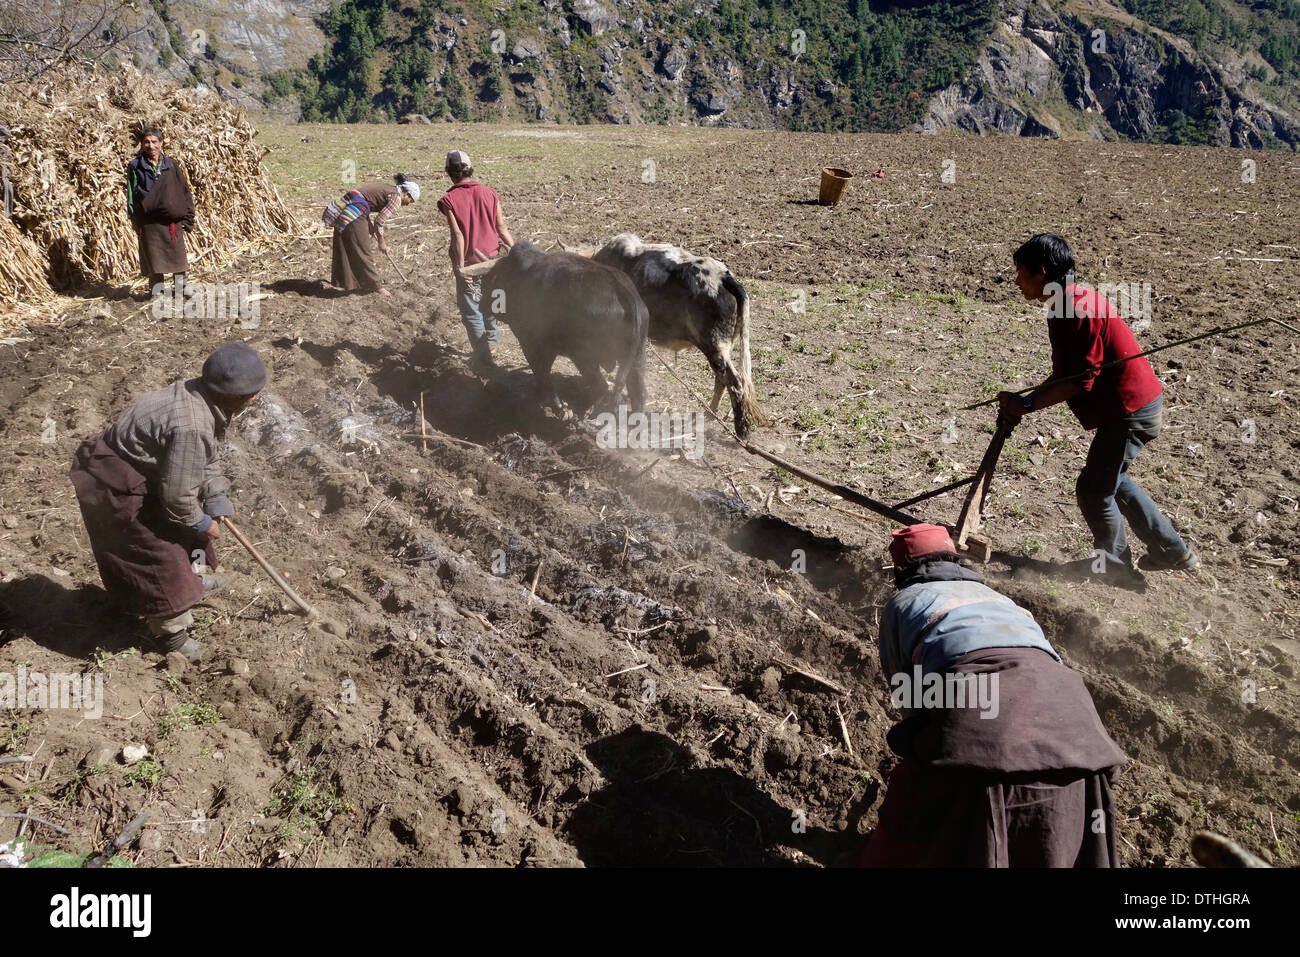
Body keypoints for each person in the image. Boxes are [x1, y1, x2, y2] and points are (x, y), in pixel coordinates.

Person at [856, 524, 1127, 867]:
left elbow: (909, 694)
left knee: (916, 788)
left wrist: (925, 743)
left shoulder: (903, 601)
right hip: (1075, 720)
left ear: (900, 569)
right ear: (954, 559)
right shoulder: (1002, 600)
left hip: (984, 718)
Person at [998, 232, 1198, 576]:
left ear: (1041, 272)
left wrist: (1026, 406)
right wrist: (1025, 400)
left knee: (1094, 490)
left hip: (1130, 412)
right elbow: (1068, 375)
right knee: (1111, 480)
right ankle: (1172, 551)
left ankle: (1115, 567)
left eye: (1020, 272)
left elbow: (1079, 381)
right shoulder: (1070, 302)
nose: (1016, 281)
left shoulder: (1074, 310)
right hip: (1132, 407)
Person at [69, 343, 267, 663]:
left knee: (189, 532)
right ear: (229, 394)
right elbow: (178, 496)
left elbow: (205, 457)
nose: (255, 398)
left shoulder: (201, 395)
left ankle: (194, 580)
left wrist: (215, 495)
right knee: (157, 558)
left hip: (147, 473)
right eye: (251, 393)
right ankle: (172, 637)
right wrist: (202, 522)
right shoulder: (191, 423)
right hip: (113, 483)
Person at [437, 149, 514, 370]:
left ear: (449, 173)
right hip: (492, 261)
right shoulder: (490, 193)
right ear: (470, 170)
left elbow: (458, 235)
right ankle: (491, 344)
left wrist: (460, 267)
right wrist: (518, 253)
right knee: (490, 304)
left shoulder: (448, 200)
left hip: (471, 263)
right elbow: (502, 228)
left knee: (472, 310)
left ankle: (483, 357)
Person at [125, 126, 194, 298]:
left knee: (177, 255)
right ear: (142, 144)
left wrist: (188, 216)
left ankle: (181, 287)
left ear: (161, 143)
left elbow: (183, 190)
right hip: (149, 220)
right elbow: (131, 193)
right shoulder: (135, 166)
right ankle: (157, 290)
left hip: (171, 220)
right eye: (146, 142)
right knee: (154, 256)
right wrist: (135, 218)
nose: (150, 145)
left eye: (154, 142)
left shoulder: (171, 165)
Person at [329, 173, 419, 297]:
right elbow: (379, 221)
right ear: (406, 194)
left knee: (347, 244)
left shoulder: (388, 189)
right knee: (363, 250)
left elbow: (368, 202)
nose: (408, 204)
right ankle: (376, 287)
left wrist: (370, 228)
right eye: (410, 200)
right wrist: (382, 242)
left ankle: (346, 283)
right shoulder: (396, 198)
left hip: (350, 207)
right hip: (355, 211)